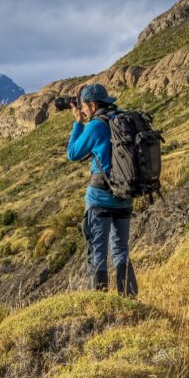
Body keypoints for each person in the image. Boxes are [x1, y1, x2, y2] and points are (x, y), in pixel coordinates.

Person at [66, 83, 137, 297]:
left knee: (97, 253)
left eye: (85, 107)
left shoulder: (95, 126)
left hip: (99, 199)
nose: (84, 111)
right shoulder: (123, 117)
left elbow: (73, 153)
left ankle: (100, 304)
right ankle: (130, 298)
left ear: (94, 104)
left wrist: (78, 123)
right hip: (124, 197)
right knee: (121, 250)